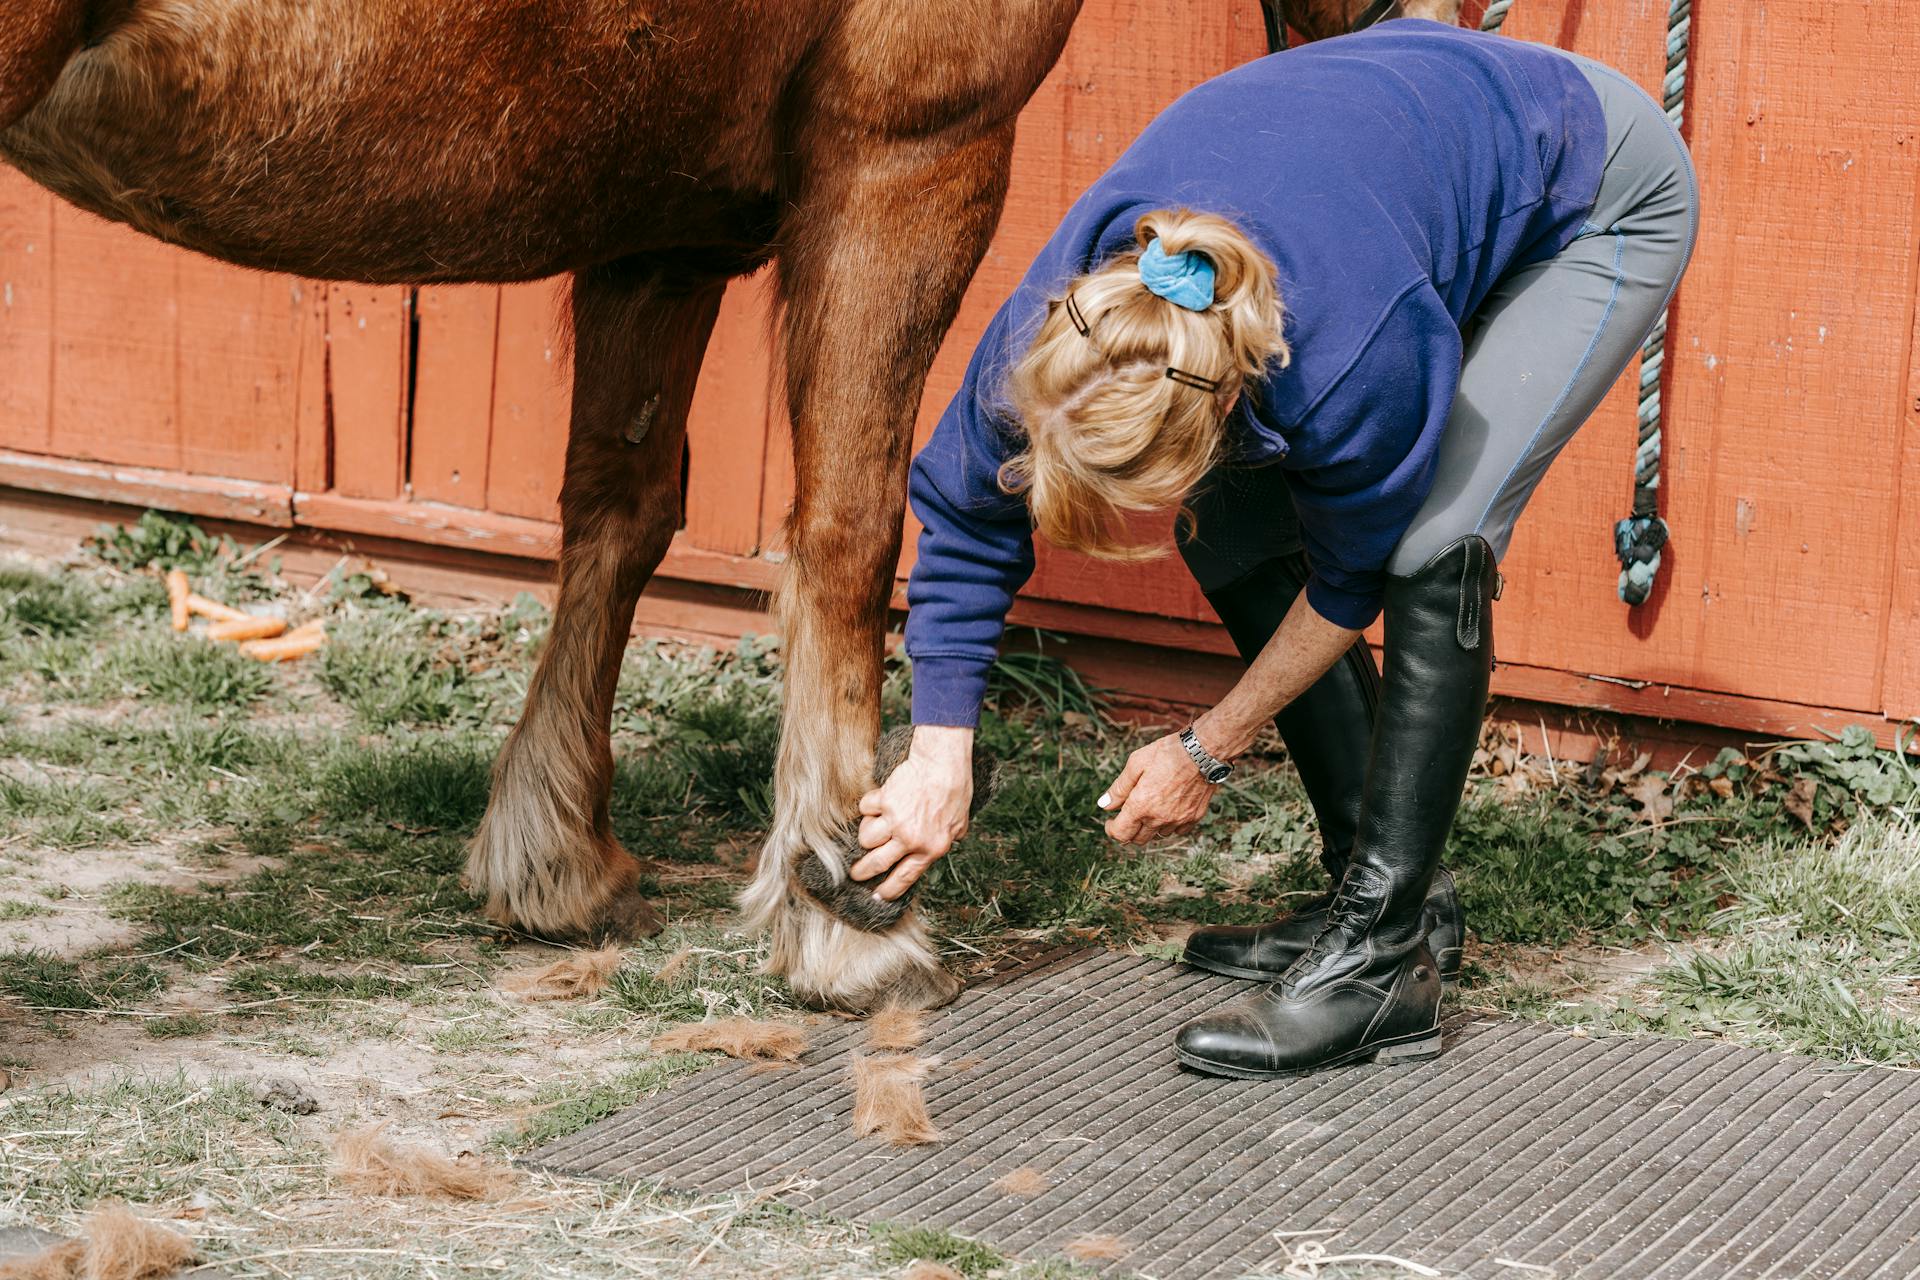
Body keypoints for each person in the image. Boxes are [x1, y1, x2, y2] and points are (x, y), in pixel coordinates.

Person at [847, 18, 1697, 1077]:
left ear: (1221, 402)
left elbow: (1350, 587)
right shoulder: (1067, 328)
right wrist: (940, 753)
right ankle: (1375, 896)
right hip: (1391, 159)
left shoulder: (1348, 364)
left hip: (1596, 188)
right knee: (1235, 513)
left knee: (1438, 540)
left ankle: (1384, 966)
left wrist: (1207, 744)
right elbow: (971, 513)